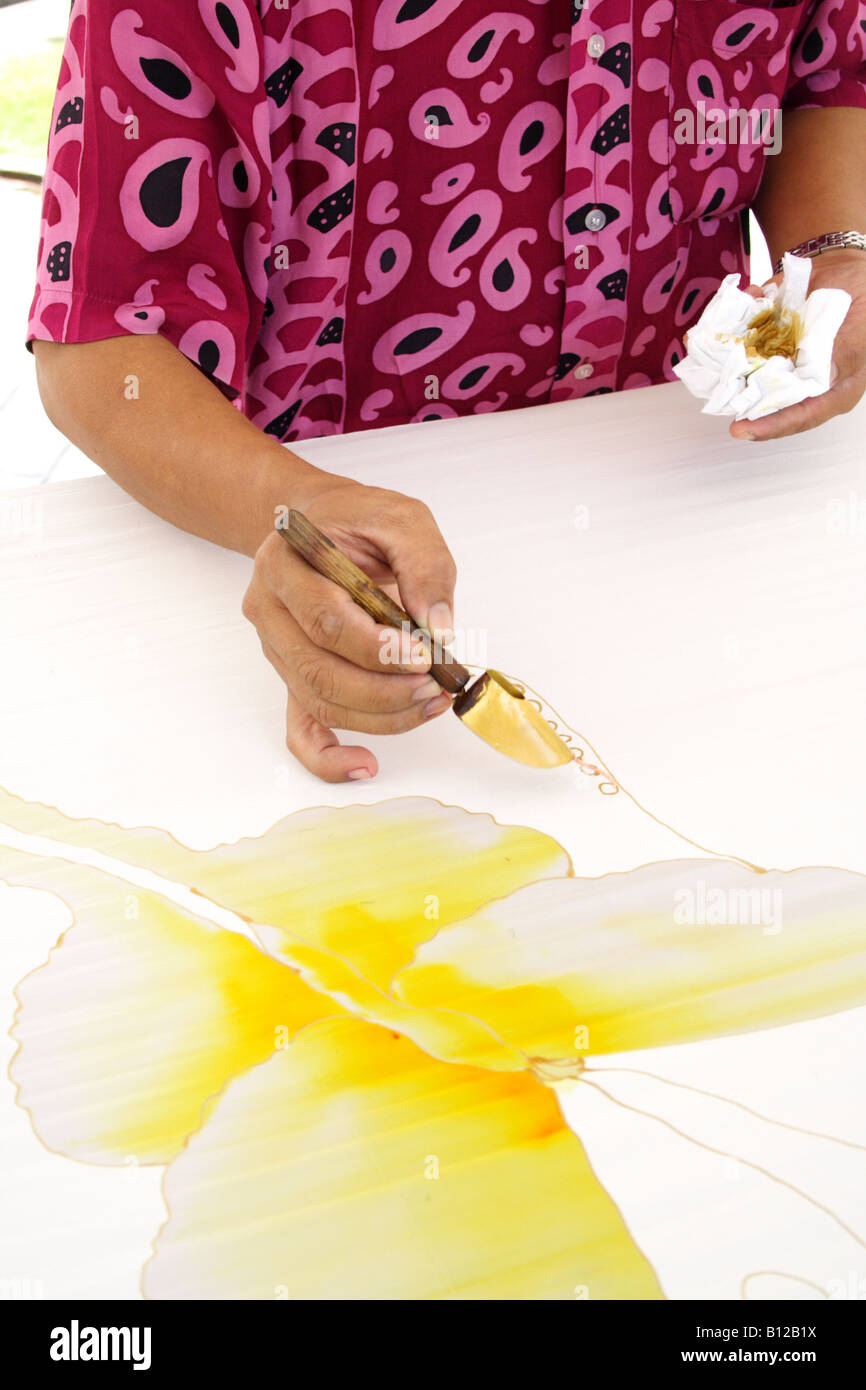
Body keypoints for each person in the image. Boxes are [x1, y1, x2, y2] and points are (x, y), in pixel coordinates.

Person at [28, 1, 866, 782]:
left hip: (704, 503)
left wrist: (839, 248)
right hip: (321, 537)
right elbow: (99, 342)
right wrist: (284, 505)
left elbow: (825, 77)